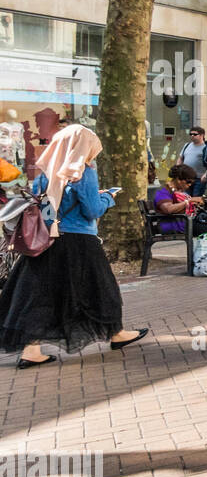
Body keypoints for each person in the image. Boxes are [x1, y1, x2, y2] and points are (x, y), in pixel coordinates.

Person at [0, 125, 147, 368]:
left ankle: (31, 349)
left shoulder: (46, 173)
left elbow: (46, 207)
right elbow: (92, 209)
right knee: (101, 288)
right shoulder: (83, 172)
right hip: (80, 240)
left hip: (47, 240)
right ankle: (116, 334)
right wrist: (108, 197)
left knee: (39, 294)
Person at [153, 164, 199, 233]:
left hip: (182, 223)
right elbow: (168, 209)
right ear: (178, 179)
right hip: (173, 225)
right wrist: (188, 201)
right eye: (188, 182)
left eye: (192, 183)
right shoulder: (163, 191)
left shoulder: (177, 191)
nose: (190, 185)